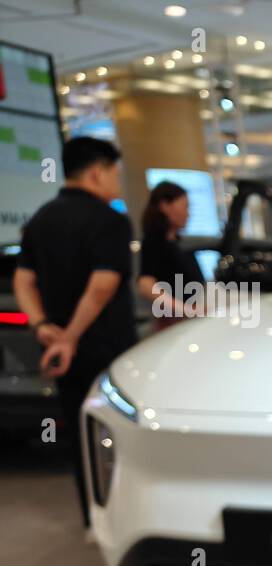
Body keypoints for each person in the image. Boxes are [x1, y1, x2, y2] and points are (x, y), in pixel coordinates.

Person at [12, 137, 137, 530]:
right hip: (107, 349)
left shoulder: (40, 219)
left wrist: (43, 326)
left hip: (61, 354)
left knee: (80, 436)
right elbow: (102, 285)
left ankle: (92, 519)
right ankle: (124, 520)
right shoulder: (111, 220)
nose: (116, 182)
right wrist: (72, 335)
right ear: (97, 172)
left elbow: (23, 280)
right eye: (115, 173)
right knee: (120, 433)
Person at [138, 180, 205, 330]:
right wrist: (185, 310)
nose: (188, 213)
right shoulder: (154, 243)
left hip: (193, 320)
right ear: (165, 206)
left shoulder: (178, 242)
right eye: (185, 207)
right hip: (176, 323)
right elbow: (145, 285)